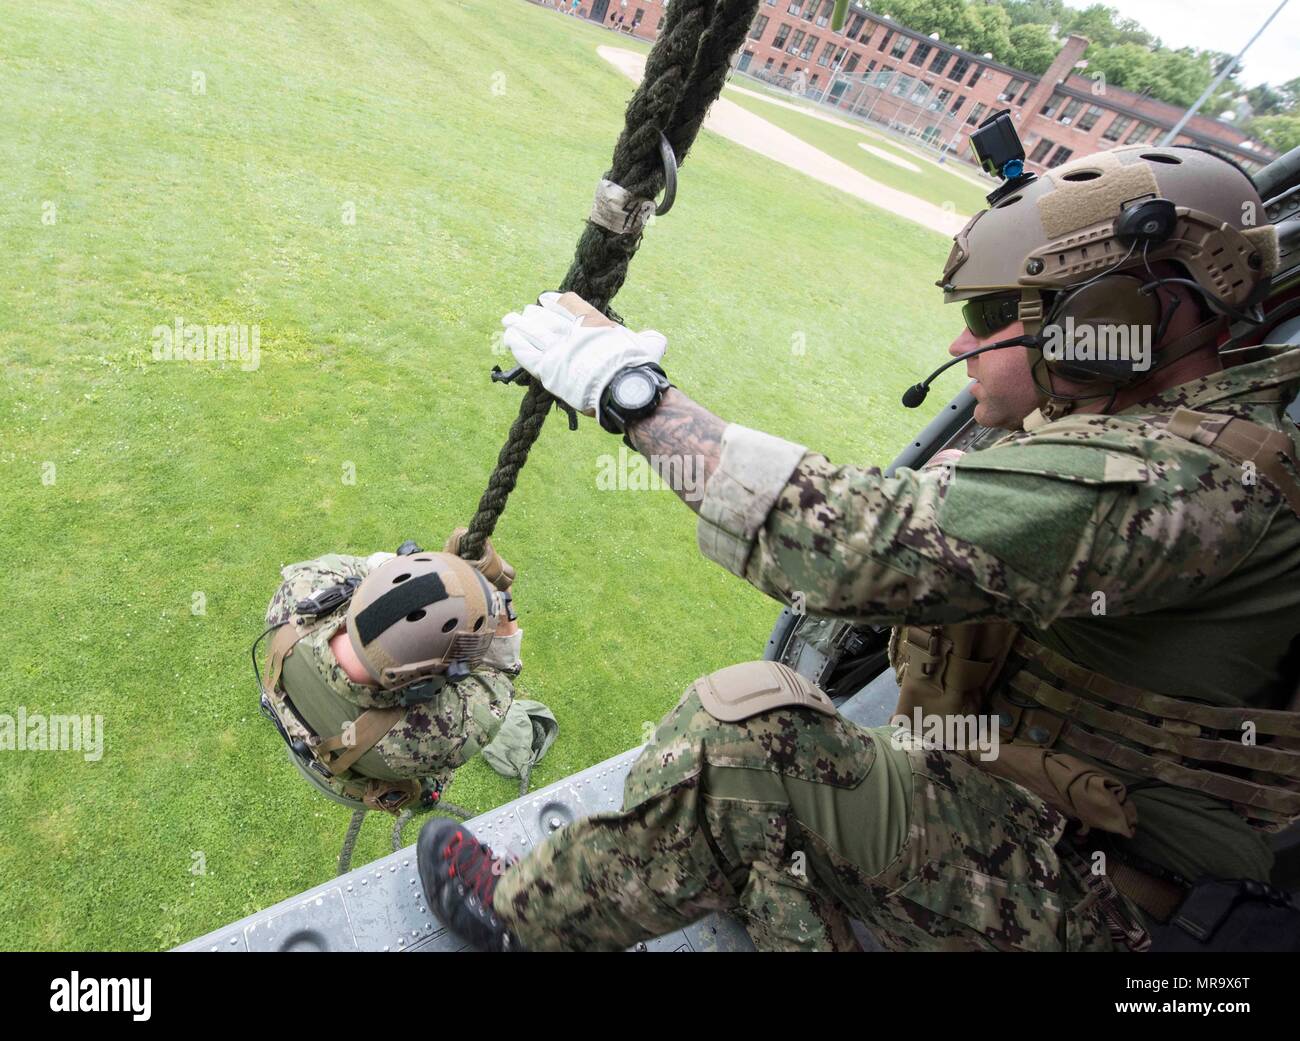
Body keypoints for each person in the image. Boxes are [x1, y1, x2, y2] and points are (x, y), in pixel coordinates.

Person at [418, 144, 1300, 951]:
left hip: (1113, 903)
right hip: (1068, 820)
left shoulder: (1184, 480)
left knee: (742, 748)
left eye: (993, 313)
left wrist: (631, 391)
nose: (961, 340)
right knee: (736, 721)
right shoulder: (1190, 431)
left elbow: (842, 549)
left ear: (1121, 318)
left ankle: (517, 922)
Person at [259, 533, 554, 814]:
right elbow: (499, 675)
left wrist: (442, 568)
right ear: (423, 683)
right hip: (361, 784)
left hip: (292, 721)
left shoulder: (298, 594)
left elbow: (375, 569)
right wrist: (503, 597)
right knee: (423, 789)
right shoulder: (436, 735)